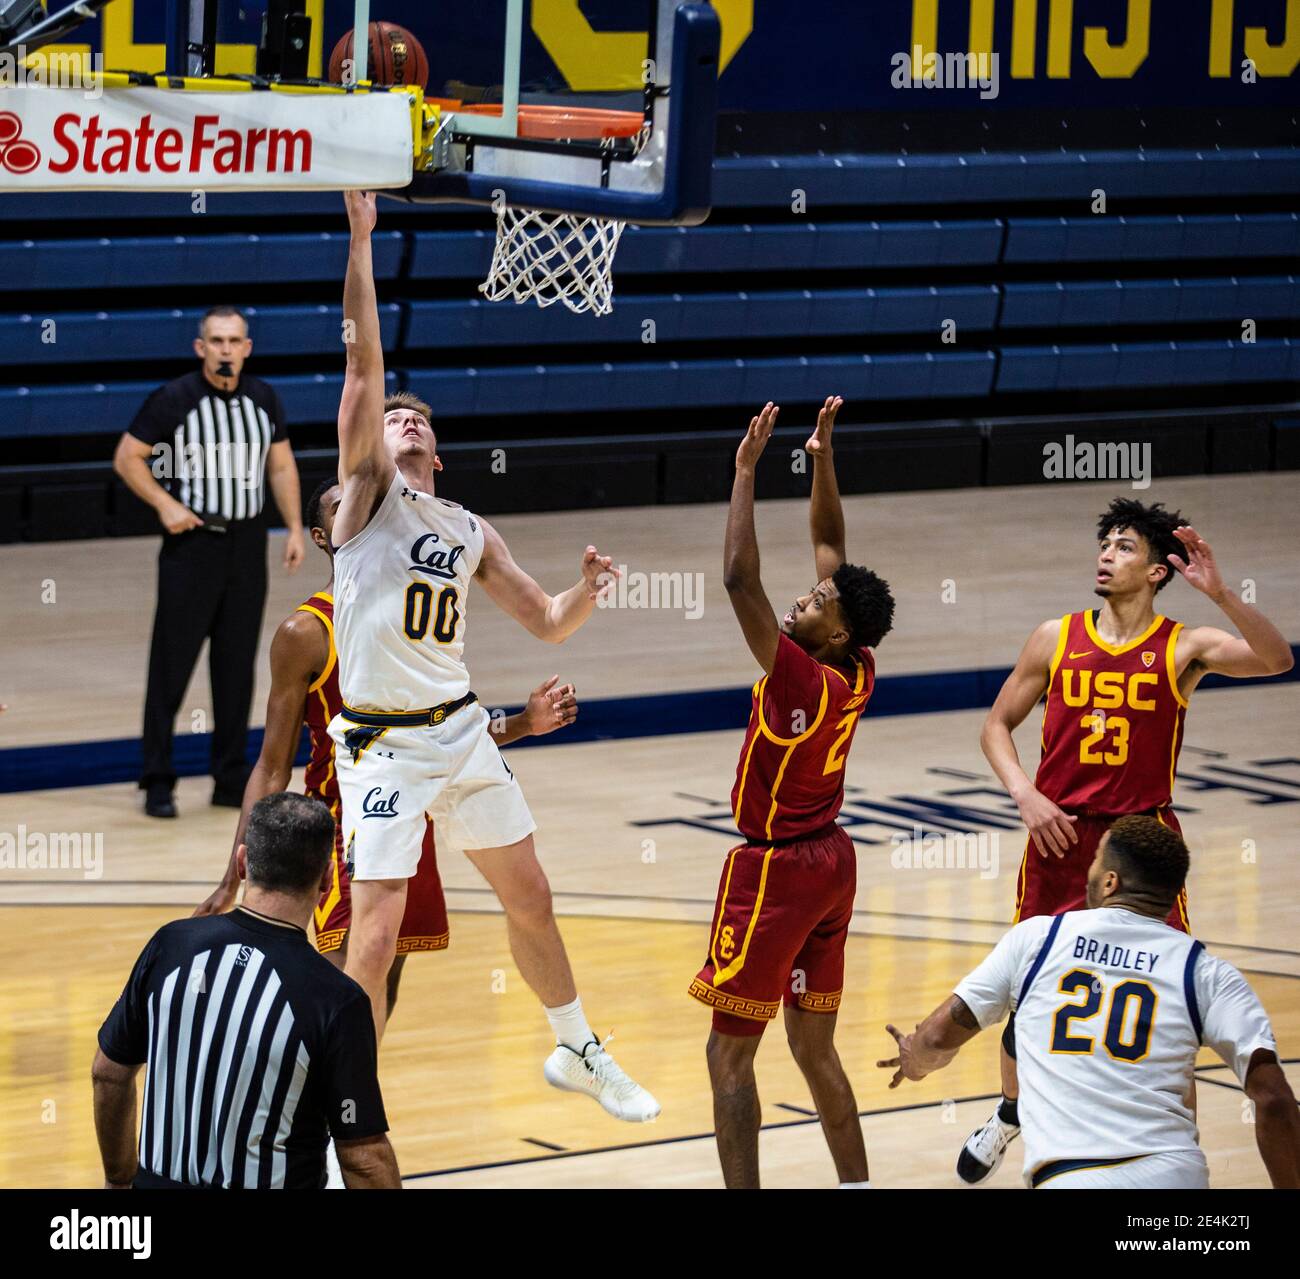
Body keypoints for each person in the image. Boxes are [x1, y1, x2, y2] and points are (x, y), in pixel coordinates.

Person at [327, 189, 657, 1122]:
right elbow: (361, 366)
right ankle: (340, 1099)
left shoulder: (470, 526)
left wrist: (588, 592)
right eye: (395, 419)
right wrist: (361, 244)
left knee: (533, 895)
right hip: (385, 745)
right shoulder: (363, 501)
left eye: (418, 419)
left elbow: (546, 620)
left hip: (464, 732)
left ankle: (577, 1046)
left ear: (438, 446)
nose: (407, 421)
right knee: (378, 927)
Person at [958, 498, 1295, 1183]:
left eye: (1125, 546)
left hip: (1141, 841)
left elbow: (1276, 657)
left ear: (1158, 571)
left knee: (1164, 993)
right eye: (1105, 543)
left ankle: (1178, 1147)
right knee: (1031, 990)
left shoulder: (1183, 644)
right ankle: (1013, 1111)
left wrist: (1221, 592)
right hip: (1058, 834)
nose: (1106, 555)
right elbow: (996, 726)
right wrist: (1026, 793)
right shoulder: (1055, 635)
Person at [194, 478, 581, 1031]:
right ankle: (329, 1110)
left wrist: (523, 723)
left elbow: (445, 738)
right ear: (326, 537)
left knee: (380, 989)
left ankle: (354, 1109)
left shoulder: (414, 617)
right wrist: (235, 874)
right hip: (338, 826)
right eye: (343, 505)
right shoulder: (305, 631)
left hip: (408, 813)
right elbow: (272, 765)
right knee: (339, 990)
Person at [690, 397, 895, 1188]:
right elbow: (831, 546)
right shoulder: (857, 662)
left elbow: (740, 576)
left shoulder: (799, 676)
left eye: (816, 603)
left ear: (832, 632)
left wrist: (744, 473)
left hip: (774, 874)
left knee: (729, 1051)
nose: (806, 597)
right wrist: (821, 456)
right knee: (813, 1047)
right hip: (832, 863)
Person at [879, 816, 1300, 1189]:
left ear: (1110, 881)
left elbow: (935, 1038)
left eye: (1095, 859)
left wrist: (916, 1062)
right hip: (1178, 1175)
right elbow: (1275, 1100)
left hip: (1074, 1176)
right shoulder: (1207, 973)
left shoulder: (1039, 940)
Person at [92, 792, 400, 1189]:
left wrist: (119, 1180)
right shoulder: (337, 1001)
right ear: (327, 878)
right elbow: (363, 1158)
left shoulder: (170, 946)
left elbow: (107, 1075)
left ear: (242, 863)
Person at [113, 305, 306, 819]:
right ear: (201, 348)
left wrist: (291, 528)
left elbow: (280, 463)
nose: (225, 349)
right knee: (171, 665)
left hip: (246, 546)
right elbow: (127, 456)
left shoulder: (264, 399)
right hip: (193, 546)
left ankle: (229, 776)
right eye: (216, 341)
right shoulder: (174, 398)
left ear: (247, 347)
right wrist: (165, 504)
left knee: (237, 663)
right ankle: (157, 778)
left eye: (234, 341)